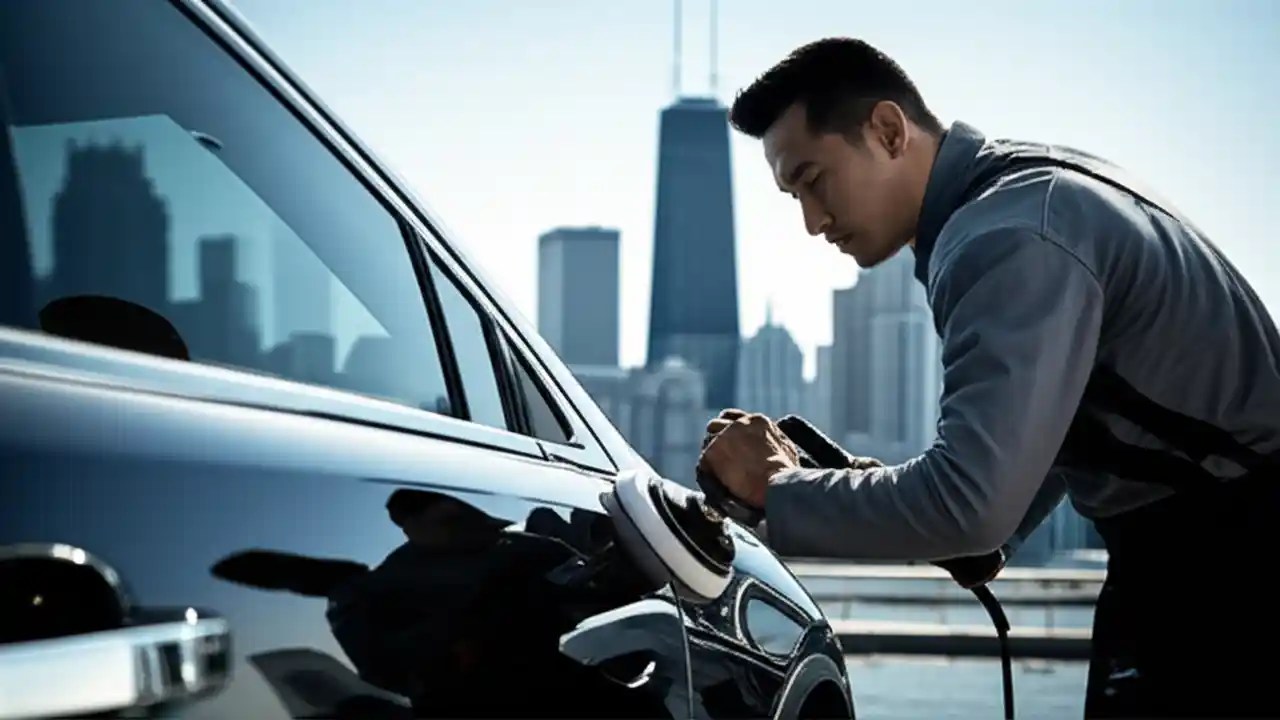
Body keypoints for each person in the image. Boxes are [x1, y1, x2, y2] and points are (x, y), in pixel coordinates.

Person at [698, 37, 1280, 719]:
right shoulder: (1033, 193)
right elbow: (1040, 456)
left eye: (813, 179)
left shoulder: (1006, 237)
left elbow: (971, 508)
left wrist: (778, 489)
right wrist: (962, 523)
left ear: (888, 131)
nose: (811, 221)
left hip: (1227, 580)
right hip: (1198, 561)